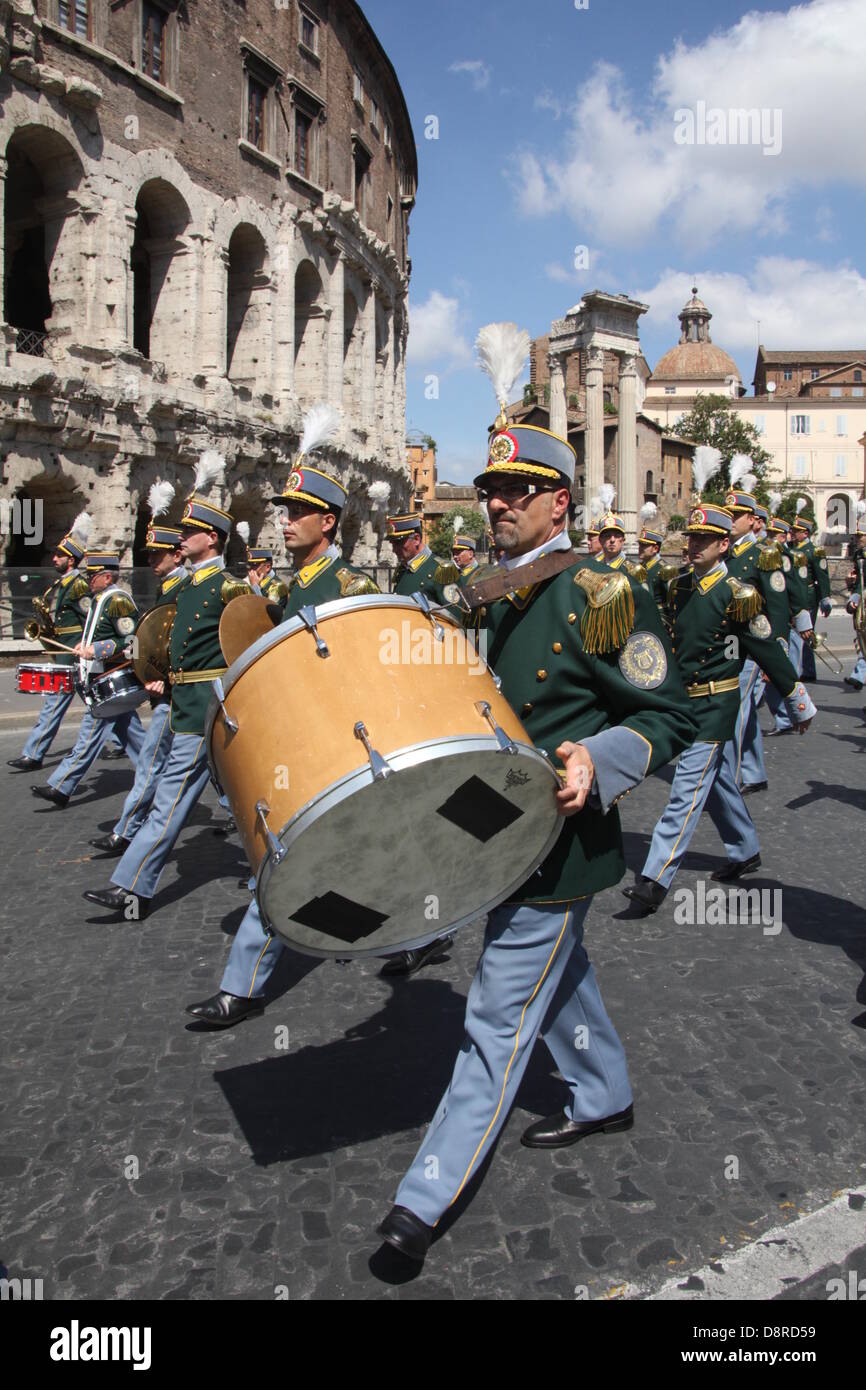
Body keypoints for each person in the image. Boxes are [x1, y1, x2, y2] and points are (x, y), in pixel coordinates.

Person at [376, 416, 697, 1265]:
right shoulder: (480, 590)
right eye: (491, 492)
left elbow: (668, 713)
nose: (500, 505)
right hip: (485, 829)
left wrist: (599, 754)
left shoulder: (600, 594)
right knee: (563, 978)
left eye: (519, 491)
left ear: (560, 503)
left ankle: (423, 1199)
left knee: (496, 1009)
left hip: (558, 838)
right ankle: (602, 1094)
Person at [185, 462, 382, 1027]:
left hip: (338, 744)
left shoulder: (352, 588)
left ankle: (242, 988)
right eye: (284, 511)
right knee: (306, 856)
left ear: (329, 521)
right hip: (291, 741)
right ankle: (396, 933)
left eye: (298, 512)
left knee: (301, 858)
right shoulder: (284, 589)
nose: (286, 521)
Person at [622, 503, 815, 916]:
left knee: (685, 793)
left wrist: (798, 702)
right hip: (681, 702)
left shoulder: (738, 595)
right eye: (691, 538)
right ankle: (744, 848)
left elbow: (767, 649)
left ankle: (655, 877)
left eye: (704, 540)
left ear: (724, 544)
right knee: (715, 781)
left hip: (715, 704)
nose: (693, 546)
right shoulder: (679, 587)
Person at [82, 456, 245, 919]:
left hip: (205, 707)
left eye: (188, 531)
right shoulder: (188, 587)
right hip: (180, 703)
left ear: (210, 538)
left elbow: (252, 644)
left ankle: (132, 888)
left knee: (171, 797)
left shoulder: (231, 590)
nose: (180, 539)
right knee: (224, 793)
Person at [89, 512, 189, 856]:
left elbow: (184, 644)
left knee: (151, 763)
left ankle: (127, 831)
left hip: (173, 693)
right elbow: (144, 640)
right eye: (148, 555)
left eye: (157, 554)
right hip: (167, 690)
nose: (150, 561)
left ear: (177, 554)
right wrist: (121, 656)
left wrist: (165, 677)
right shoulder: (168, 588)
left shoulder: (186, 589)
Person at [31, 551, 145, 808]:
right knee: (135, 738)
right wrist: (86, 644)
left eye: (93, 575)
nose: (88, 580)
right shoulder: (101, 599)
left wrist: (98, 649)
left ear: (106, 577)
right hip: (98, 677)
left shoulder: (118, 600)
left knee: (89, 735)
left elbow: (133, 642)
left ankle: (61, 786)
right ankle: (156, 776)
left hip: (109, 680)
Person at [8, 515, 90, 772]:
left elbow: (90, 619)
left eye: (59, 555)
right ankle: (133, 741)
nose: (54, 559)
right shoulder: (63, 583)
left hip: (72, 655)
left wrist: (84, 647)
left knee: (55, 704)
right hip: (62, 652)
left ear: (71, 560)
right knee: (101, 706)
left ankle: (33, 754)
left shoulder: (78, 586)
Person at [790, 514, 831, 681]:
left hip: (807, 597)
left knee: (805, 634)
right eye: (792, 530)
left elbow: (822, 576)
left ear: (806, 533)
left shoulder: (814, 551)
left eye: (796, 531)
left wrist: (825, 599)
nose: (792, 533)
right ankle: (806, 669)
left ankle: (803, 670)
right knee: (799, 635)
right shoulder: (789, 548)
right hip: (792, 596)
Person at [386, 514, 450, 602]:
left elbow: (453, 614)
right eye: (392, 544)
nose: (394, 550)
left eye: (398, 543)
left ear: (416, 539)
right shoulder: (403, 569)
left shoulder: (443, 570)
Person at [245, 542, 289, 613]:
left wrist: (255, 587)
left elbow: (266, 614)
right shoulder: (257, 582)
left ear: (267, 567)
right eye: (250, 565)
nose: (251, 569)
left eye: (255, 565)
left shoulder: (277, 587)